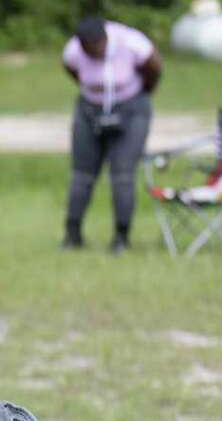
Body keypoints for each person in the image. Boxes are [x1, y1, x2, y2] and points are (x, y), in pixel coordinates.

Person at [61, 15, 161, 252]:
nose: (93, 53)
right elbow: (71, 69)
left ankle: (121, 238)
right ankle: (72, 235)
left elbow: (155, 68)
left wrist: (137, 95)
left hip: (131, 107)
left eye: (96, 46)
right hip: (89, 109)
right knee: (82, 174)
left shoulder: (131, 43)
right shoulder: (73, 51)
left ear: (104, 39)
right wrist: (95, 90)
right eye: (88, 48)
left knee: (123, 174)